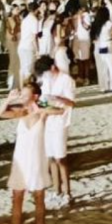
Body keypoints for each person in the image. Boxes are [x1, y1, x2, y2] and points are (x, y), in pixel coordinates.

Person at [0, 80, 62, 224]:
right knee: (17, 197)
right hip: (21, 160)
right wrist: (8, 99)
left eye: (26, 94)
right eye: (22, 94)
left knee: (39, 197)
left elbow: (59, 111)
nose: (23, 97)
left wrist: (40, 107)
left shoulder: (42, 112)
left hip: (37, 160)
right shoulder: (21, 111)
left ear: (34, 96)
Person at [36, 54, 76, 207]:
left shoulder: (67, 80)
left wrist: (57, 99)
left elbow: (72, 103)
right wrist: (45, 107)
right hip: (48, 120)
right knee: (51, 157)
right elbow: (43, 101)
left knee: (61, 158)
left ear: (53, 68)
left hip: (61, 122)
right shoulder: (46, 80)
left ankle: (67, 193)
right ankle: (56, 190)